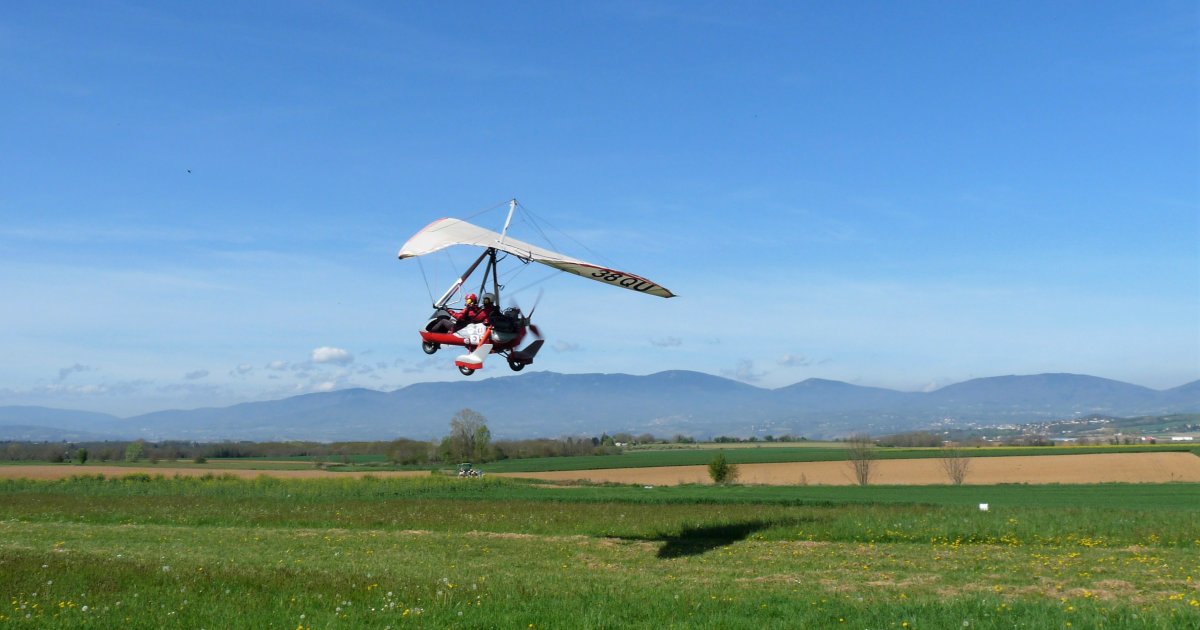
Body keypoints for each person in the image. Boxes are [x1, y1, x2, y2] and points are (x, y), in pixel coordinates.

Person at [429, 293, 495, 333]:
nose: (466, 302)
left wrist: (447, 310)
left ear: (471, 301)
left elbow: (459, 317)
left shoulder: (469, 309)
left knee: (443, 321)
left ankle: (430, 333)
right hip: (466, 327)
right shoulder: (477, 309)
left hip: (459, 329)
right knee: (451, 320)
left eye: (468, 301)